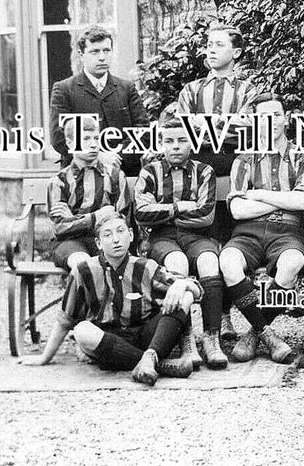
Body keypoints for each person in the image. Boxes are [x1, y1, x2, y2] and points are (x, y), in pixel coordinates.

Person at [18, 212, 201, 386]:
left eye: (121, 232)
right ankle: (162, 366)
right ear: (98, 243)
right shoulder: (84, 270)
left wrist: (181, 284)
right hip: (109, 344)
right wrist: (44, 358)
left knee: (184, 295)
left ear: (130, 235)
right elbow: (66, 321)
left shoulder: (146, 267)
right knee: (82, 330)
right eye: (108, 235)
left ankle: (151, 358)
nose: (115, 239)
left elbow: (197, 291)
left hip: (148, 337)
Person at [177, 22, 260, 340]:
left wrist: (207, 125)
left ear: (236, 52)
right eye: (209, 44)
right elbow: (184, 131)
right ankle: (218, 318)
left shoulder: (248, 91)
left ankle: (232, 318)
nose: (211, 49)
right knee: (209, 244)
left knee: (232, 246)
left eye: (219, 45)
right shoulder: (192, 90)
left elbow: (251, 130)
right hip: (201, 179)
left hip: (238, 177)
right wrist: (228, 125)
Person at [221, 94, 304, 364]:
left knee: (293, 262)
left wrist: (258, 194)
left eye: (276, 114)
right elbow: (238, 210)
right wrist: (281, 201)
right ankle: (266, 333)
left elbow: (303, 201)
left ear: (286, 119)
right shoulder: (244, 159)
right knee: (227, 262)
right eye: (263, 116)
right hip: (247, 232)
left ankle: (252, 332)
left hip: (286, 232)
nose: (270, 121)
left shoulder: (303, 156)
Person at [134, 117, 225, 370]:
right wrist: (179, 207)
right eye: (169, 141)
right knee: (178, 262)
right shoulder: (150, 172)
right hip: (162, 239)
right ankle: (187, 340)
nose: (175, 146)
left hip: (197, 237)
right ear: (161, 144)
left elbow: (206, 215)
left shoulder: (204, 171)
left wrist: (164, 213)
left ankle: (211, 338)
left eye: (182, 140)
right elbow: (141, 213)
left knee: (209, 260)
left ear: (192, 143)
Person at [50, 26, 150, 176]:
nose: (102, 57)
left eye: (106, 50)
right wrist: (98, 157)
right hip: (80, 175)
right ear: (81, 54)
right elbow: (59, 136)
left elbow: (143, 131)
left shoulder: (126, 88)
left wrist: (117, 156)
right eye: (95, 51)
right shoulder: (64, 89)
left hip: (123, 171)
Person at [46, 116, 131, 271]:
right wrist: (97, 216)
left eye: (96, 138)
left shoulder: (114, 175)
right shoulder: (59, 181)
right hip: (69, 243)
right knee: (83, 265)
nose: (93, 145)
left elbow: (121, 219)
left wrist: (73, 218)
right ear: (70, 143)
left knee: (111, 261)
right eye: (85, 139)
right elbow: (60, 229)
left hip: (107, 240)